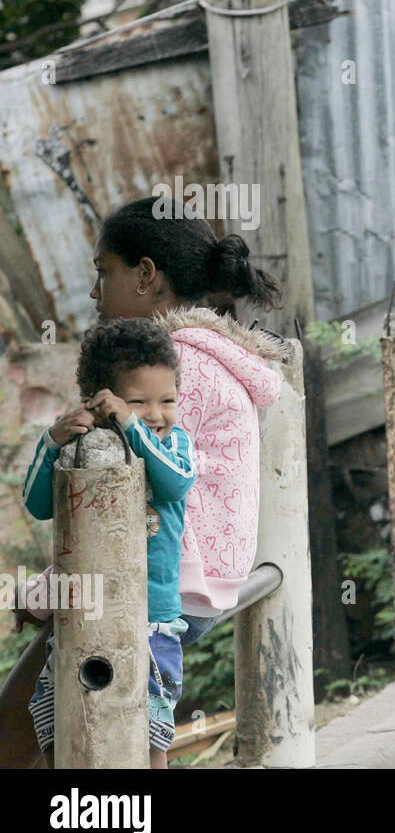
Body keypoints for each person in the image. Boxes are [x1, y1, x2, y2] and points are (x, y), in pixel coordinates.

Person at [89, 196, 287, 644]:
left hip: (173, 587)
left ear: (144, 275)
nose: (94, 292)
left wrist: (50, 587)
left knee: (44, 696)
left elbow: (116, 490)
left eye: (104, 271)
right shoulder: (204, 352)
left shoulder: (174, 363)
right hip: (203, 583)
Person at [21, 318, 196, 768]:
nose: (157, 413)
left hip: (152, 624)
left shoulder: (174, 443)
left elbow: (175, 485)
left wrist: (133, 426)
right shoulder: (81, 448)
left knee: (150, 733)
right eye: (139, 401)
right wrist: (53, 440)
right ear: (98, 401)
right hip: (81, 618)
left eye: (167, 400)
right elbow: (38, 504)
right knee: (57, 719)